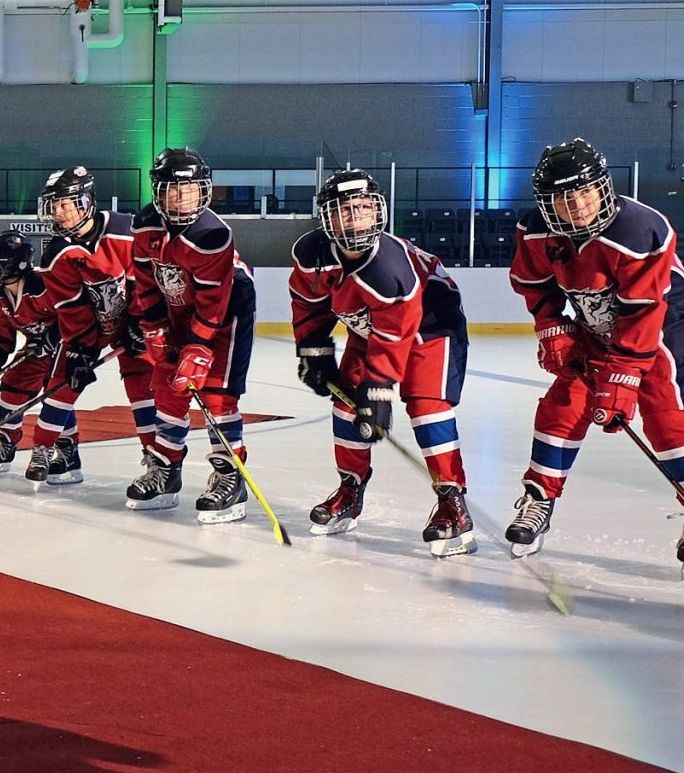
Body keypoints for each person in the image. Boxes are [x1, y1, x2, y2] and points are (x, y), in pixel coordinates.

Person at [504, 138, 684, 573]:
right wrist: (550, 323)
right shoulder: (535, 231)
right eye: (565, 197)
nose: (579, 204)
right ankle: (539, 497)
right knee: (563, 405)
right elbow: (533, 283)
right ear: (548, 203)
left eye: (585, 191)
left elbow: (644, 310)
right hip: (592, 321)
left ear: (603, 187)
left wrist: (622, 378)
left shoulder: (642, 230)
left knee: (667, 411)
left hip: (659, 322)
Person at [290, 168, 474, 556]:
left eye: (362, 207)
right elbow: (308, 302)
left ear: (378, 212)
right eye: (344, 210)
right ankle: (350, 488)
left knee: (427, 409)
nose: (355, 217)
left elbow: (395, 336)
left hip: (432, 326)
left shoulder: (390, 270)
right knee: (345, 403)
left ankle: (451, 502)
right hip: (370, 330)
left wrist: (377, 393)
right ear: (327, 219)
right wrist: (313, 349)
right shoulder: (312, 254)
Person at [126, 147, 258, 524]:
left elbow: (214, 303)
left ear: (203, 191)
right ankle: (166, 469)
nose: (180, 197)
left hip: (228, 315)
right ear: (158, 190)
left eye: (189, 189)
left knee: (216, 394)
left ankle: (230, 476)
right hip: (176, 310)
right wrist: (153, 326)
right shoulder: (144, 225)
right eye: (171, 189)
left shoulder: (213, 235)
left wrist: (198, 346)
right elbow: (146, 281)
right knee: (166, 385)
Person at [31, 165, 158, 487]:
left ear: (85, 201)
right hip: (95, 328)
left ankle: (157, 461)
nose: (58, 213)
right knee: (63, 377)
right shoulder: (56, 255)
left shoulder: (126, 231)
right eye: (53, 206)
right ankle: (49, 449)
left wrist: (139, 325)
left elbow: (145, 282)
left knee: (142, 383)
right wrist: (81, 349)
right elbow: (74, 311)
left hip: (136, 322)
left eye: (64, 204)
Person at [0, 229, 69, 480]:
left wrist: (56, 334)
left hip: (70, 349)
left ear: (10, 266)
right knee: (13, 384)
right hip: (38, 349)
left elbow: (74, 313)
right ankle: (7, 442)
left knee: (56, 391)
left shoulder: (46, 286)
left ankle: (66, 449)